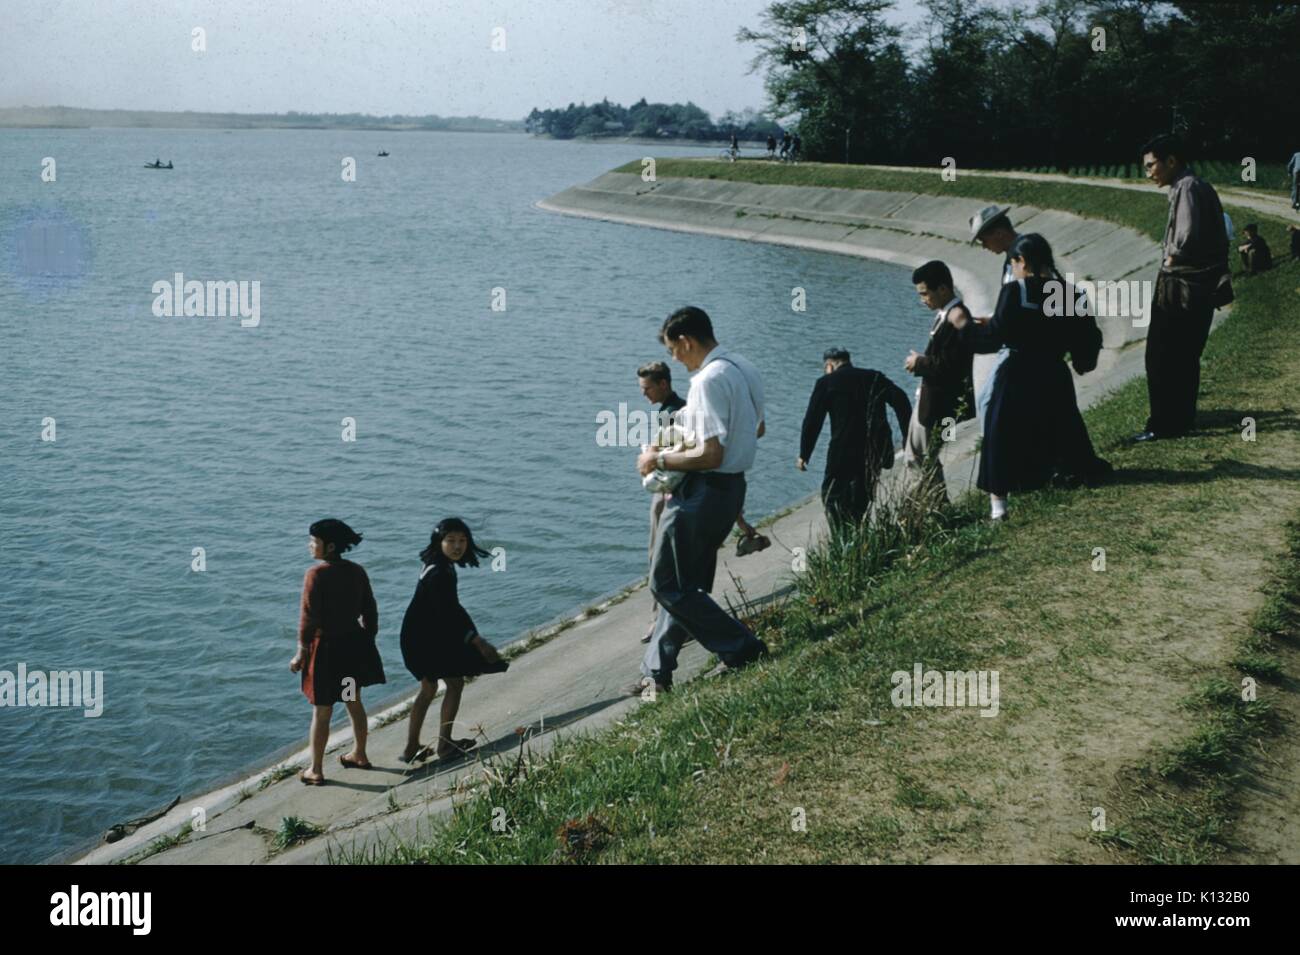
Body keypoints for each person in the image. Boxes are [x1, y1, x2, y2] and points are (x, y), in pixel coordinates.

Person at [631, 306, 770, 695]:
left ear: (686, 341)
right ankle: (657, 673)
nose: (675, 360)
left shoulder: (707, 379)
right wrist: (670, 435)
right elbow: (757, 427)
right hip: (732, 489)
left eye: (674, 351)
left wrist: (656, 458)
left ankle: (742, 647)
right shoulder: (742, 367)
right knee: (686, 585)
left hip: (704, 491)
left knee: (665, 584)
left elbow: (711, 455)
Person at [949, 234, 1105, 520]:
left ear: (1021, 261)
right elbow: (1086, 337)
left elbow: (992, 341)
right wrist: (1083, 363)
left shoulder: (1015, 291)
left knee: (999, 435)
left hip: (1018, 373)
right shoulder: (1070, 293)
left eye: (1014, 263)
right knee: (1060, 427)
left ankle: (999, 508)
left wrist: (963, 325)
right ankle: (1063, 474)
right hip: (1054, 374)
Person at [1132, 133, 1230, 443]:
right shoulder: (1196, 185)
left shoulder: (1186, 187)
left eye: (1152, 166)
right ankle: (1181, 418)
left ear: (1171, 161)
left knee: (1160, 356)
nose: (1149, 173)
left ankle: (1161, 424)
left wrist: (1171, 256)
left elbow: (1185, 237)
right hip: (1200, 286)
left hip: (1181, 286)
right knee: (1185, 356)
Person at [398, 518, 508, 764]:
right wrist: (476, 640)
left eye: (462, 540)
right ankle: (444, 745)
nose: (457, 546)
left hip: (417, 636)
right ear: (439, 542)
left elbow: (447, 611)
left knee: (429, 689)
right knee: (453, 684)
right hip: (422, 639)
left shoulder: (437, 564)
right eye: (451, 541)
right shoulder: (440, 572)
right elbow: (448, 612)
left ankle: (412, 747)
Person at [290, 519, 385, 785]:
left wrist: (300, 653)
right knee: (352, 700)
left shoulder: (315, 575)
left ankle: (316, 769)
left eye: (314, 542)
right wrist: (368, 639)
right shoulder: (356, 571)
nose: (310, 546)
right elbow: (370, 610)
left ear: (329, 546)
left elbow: (308, 619)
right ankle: (360, 754)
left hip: (325, 653)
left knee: (322, 710)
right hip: (351, 648)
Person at [798, 347, 911, 532]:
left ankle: (842, 539)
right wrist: (907, 435)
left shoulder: (826, 382)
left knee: (831, 495)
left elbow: (812, 420)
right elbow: (901, 399)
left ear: (829, 366)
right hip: (874, 449)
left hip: (842, 449)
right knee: (861, 496)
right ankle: (858, 534)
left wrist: (804, 454)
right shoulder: (874, 377)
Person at [903, 260, 975, 505]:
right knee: (917, 457)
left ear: (943, 289)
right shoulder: (945, 315)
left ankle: (930, 510)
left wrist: (919, 362)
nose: (923, 299)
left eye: (925, 293)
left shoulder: (957, 317)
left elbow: (950, 366)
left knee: (922, 458)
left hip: (938, 403)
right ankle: (932, 508)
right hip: (928, 399)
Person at [637, 361, 686, 645]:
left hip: (666, 492)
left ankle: (657, 619)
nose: (644, 395)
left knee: (656, 556)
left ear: (663, 384)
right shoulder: (680, 407)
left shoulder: (669, 414)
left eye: (647, 389)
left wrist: (648, 457)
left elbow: (662, 456)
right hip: (678, 489)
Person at [967, 206, 1020, 434]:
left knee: (989, 402)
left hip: (1021, 347)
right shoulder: (1012, 256)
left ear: (998, 233)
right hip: (1014, 343)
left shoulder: (1023, 256)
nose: (983, 246)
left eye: (983, 240)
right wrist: (995, 318)